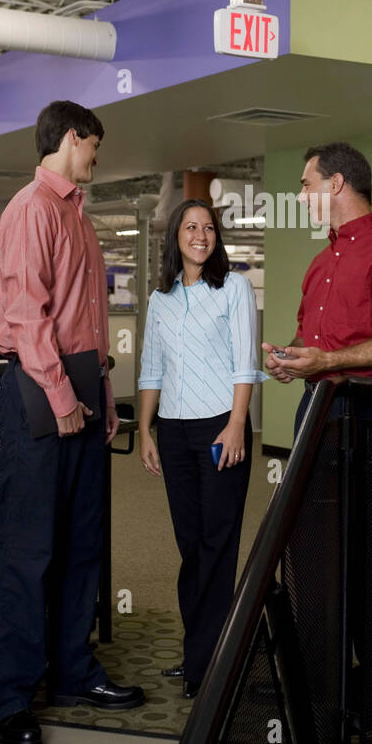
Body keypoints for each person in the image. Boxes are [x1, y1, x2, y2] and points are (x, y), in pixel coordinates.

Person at [0, 100, 144, 744]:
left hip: (83, 384)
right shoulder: (32, 208)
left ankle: (74, 672)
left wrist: (100, 400)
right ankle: (11, 697)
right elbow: (27, 318)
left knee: (83, 545)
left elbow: (88, 325)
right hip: (41, 390)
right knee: (28, 552)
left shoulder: (80, 217)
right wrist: (60, 396)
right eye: (94, 146)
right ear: (73, 138)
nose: (96, 159)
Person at [262, 142, 372, 729]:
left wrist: (326, 362)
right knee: (313, 550)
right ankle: (319, 680)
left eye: (306, 184)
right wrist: (293, 359)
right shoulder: (322, 262)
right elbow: (320, 342)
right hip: (318, 412)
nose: (302, 196)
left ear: (336, 184)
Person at [138, 199, 267, 699]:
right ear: (175, 236)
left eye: (208, 227)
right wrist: (145, 429)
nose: (200, 235)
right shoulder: (161, 298)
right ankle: (201, 647)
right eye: (191, 227)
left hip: (219, 429)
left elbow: (244, 363)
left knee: (218, 541)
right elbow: (151, 369)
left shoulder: (233, 288)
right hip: (172, 433)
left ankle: (206, 663)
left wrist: (238, 425)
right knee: (190, 545)